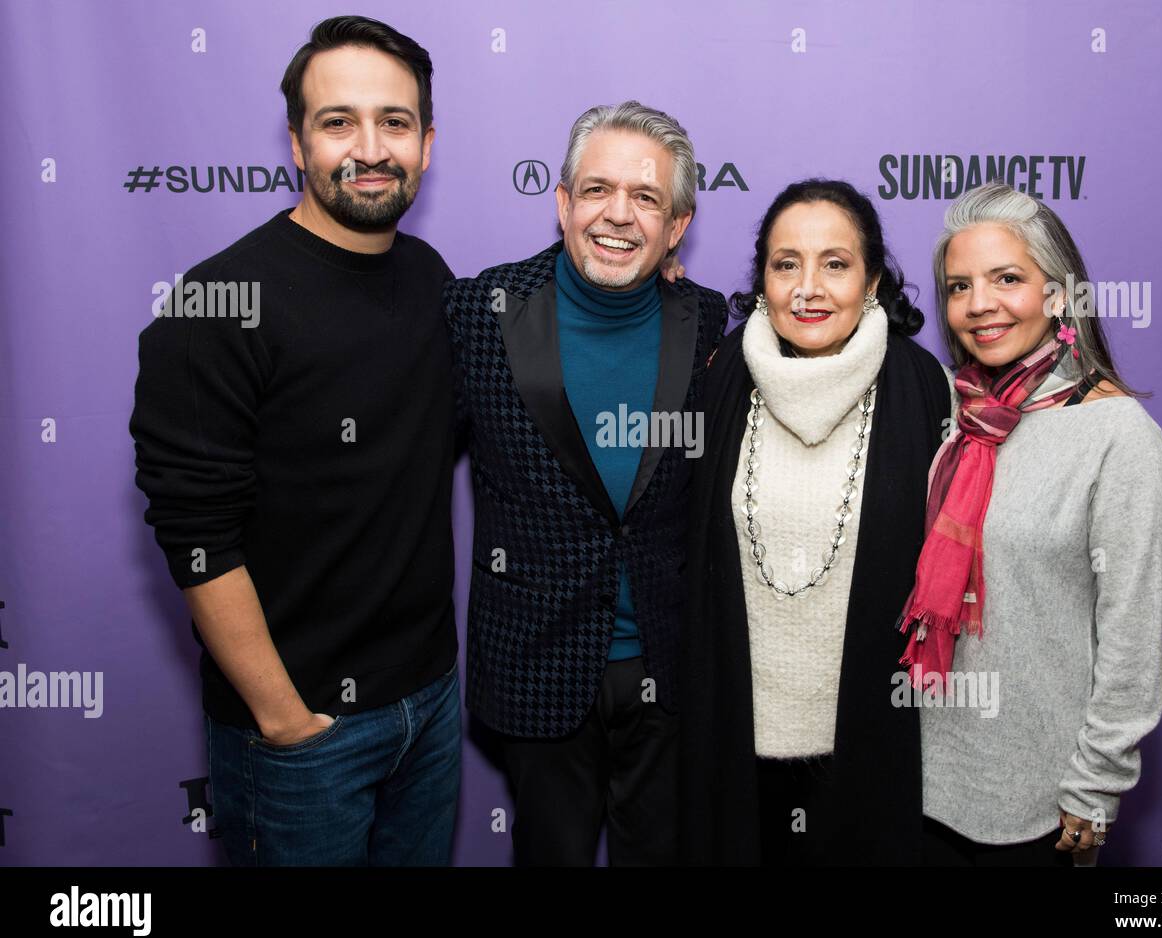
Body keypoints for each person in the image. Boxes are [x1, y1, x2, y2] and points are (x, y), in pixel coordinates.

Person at [130, 16, 461, 866]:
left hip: (430, 706)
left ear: (426, 143)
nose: (370, 146)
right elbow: (196, 533)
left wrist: (642, 282)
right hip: (301, 738)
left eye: (394, 122)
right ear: (296, 142)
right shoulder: (216, 304)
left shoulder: (430, 281)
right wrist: (285, 721)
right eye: (337, 121)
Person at [443, 101, 726, 866]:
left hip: (668, 671)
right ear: (563, 202)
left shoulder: (708, 320)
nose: (618, 215)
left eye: (647, 198)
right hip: (537, 667)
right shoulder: (479, 312)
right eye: (597, 189)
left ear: (677, 227)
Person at [904, 181, 1162, 866]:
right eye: (959, 285)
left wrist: (1094, 791)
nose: (979, 305)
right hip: (925, 787)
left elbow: (1131, 638)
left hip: (1042, 808)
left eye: (1007, 279)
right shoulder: (963, 419)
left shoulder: (1119, 437)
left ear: (1058, 295)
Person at [679, 179, 955, 865]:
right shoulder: (718, 378)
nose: (809, 287)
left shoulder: (924, 388)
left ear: (871, 283)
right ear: (763, 282)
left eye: (835, 263)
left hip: (873, 743)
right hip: (736, 746)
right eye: (785, 263)